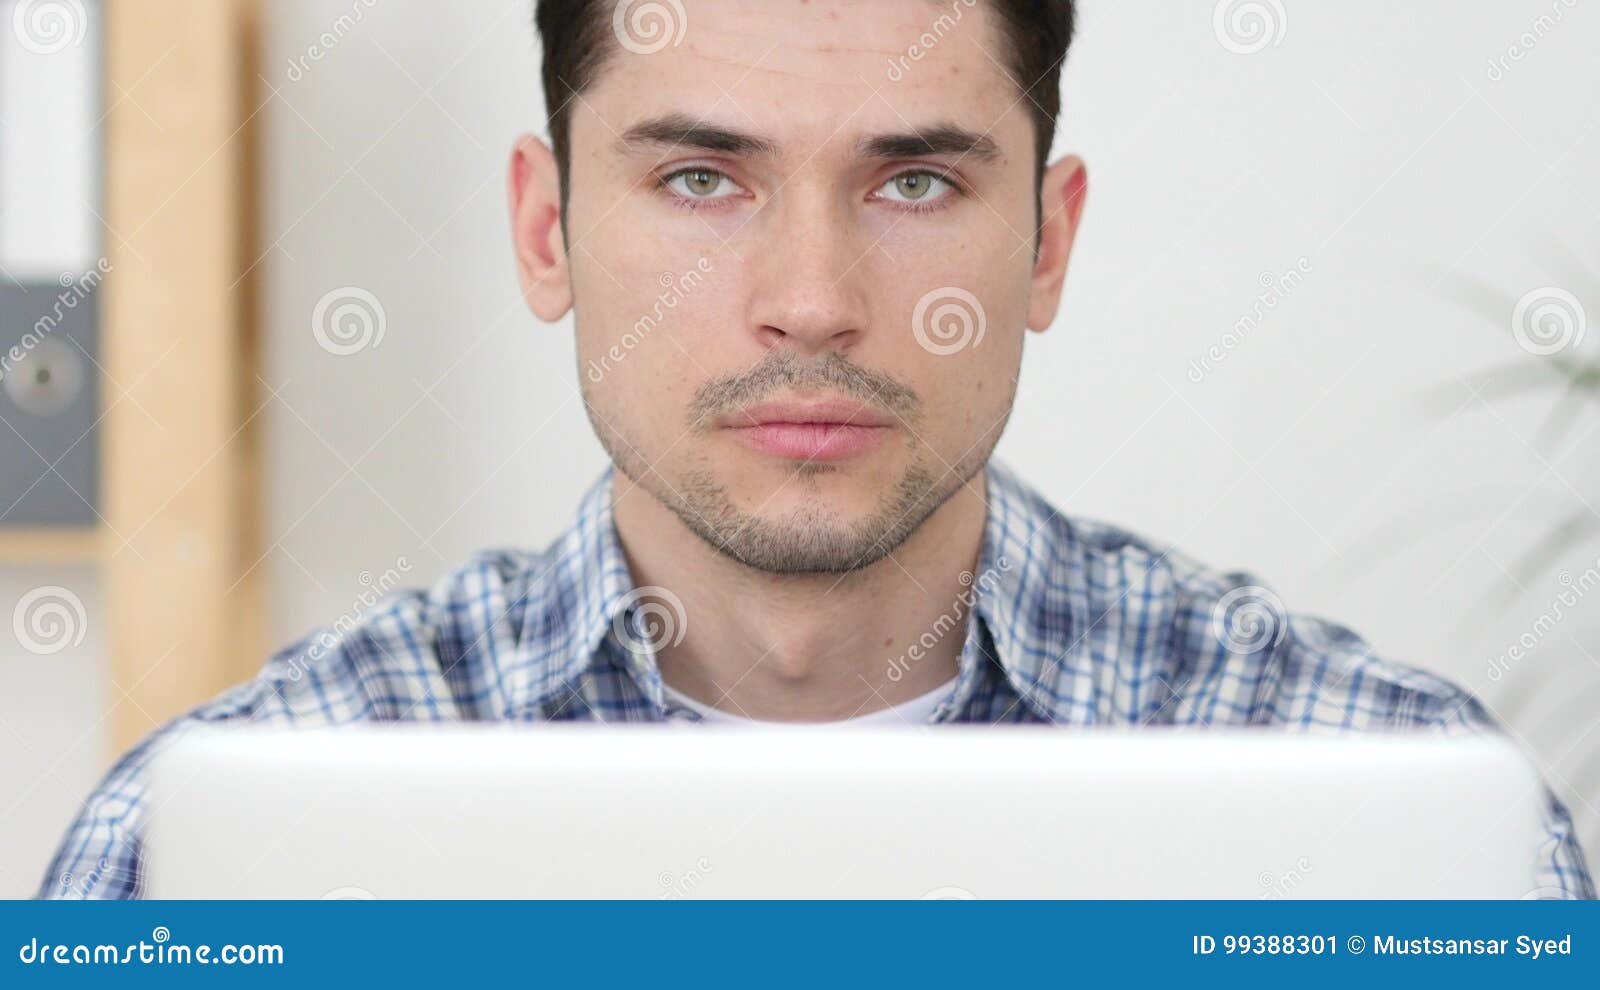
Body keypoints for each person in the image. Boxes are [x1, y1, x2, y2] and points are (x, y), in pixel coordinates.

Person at [40, 0, 1593, 899]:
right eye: (704, 179)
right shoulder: (202, 845)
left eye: (914, 185)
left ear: (1046, 244)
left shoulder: (1388, 809)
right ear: (545, 227)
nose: (814, 304)